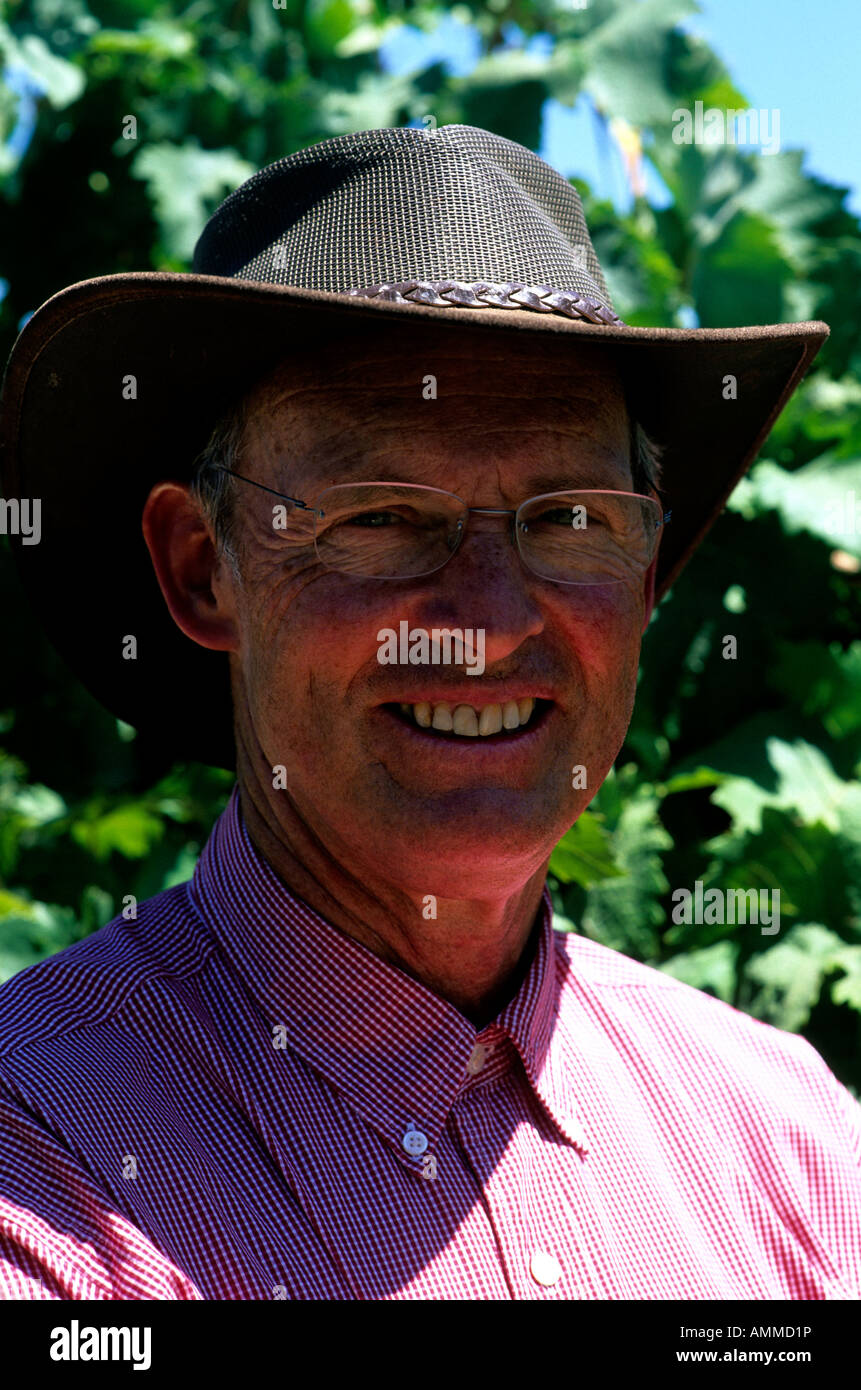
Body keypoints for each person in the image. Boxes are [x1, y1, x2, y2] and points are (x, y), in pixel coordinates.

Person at [0, 125, 857, 1301]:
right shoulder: (39, 1159)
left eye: (570, 521)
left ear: (648, 579)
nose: (492, 620)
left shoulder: (792, 1138)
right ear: (204, 568)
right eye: (384, 515)